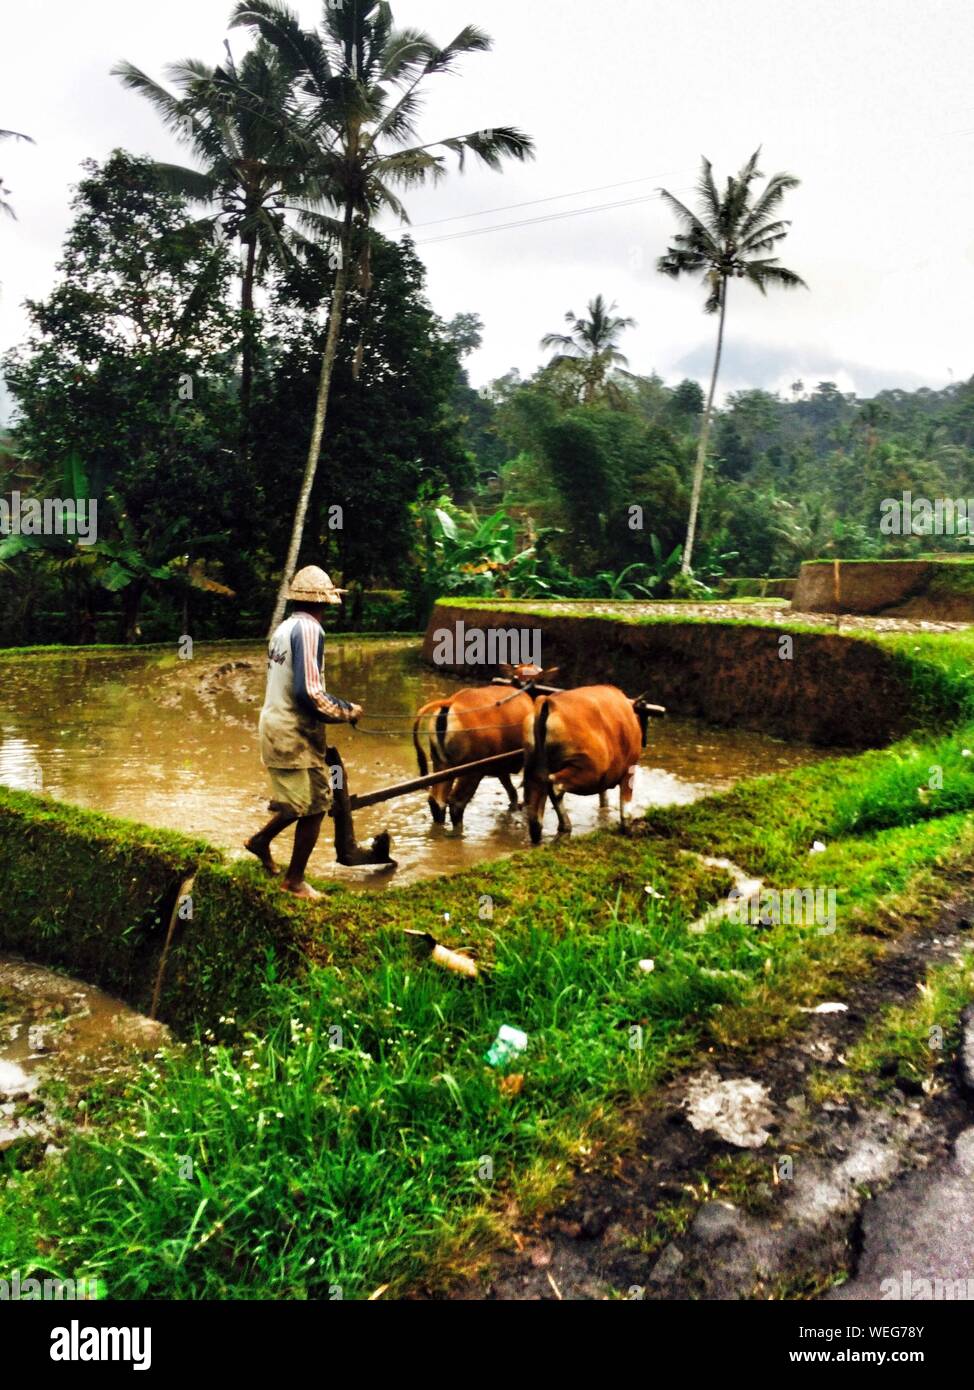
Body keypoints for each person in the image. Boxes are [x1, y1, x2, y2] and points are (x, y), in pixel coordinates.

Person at [245, 566, 362, 899]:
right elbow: (308, 693)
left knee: (298, 800)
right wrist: (345, 711)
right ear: (323, 602)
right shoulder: (311, 630)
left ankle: (260, 841)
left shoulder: (284, 628)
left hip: (274, 725)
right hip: (294, 732)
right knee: (316, 805)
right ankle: (295, 882)